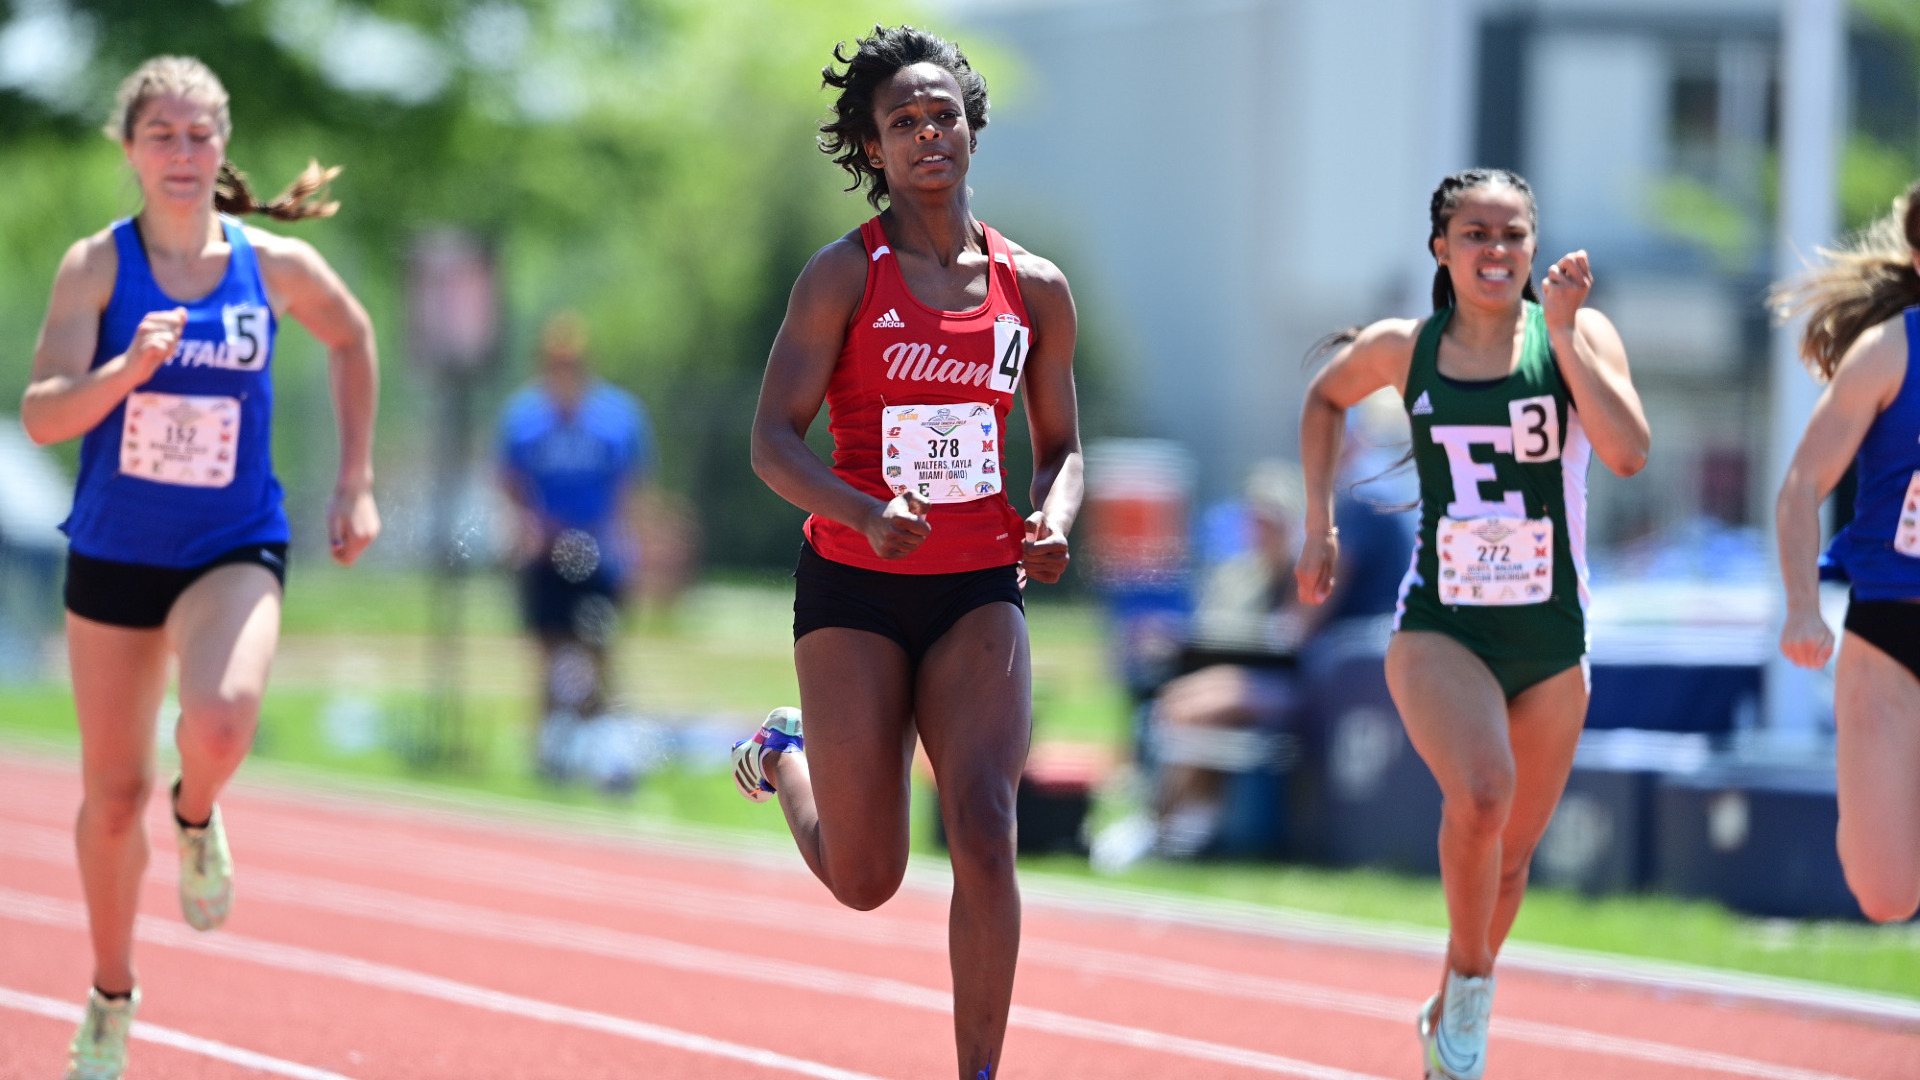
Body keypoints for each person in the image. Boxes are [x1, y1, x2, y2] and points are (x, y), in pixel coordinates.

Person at [19, 56, 379, 1080]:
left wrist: (354, 480)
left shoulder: (272, 267)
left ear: (223, 148)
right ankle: (110, 991)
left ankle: (199, 811)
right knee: (110, 794)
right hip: (115, 552)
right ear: (128, 148)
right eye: (161, 135)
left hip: (232, 542)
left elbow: (353, 337)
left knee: (221, 720)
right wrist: (126, 371)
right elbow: (42, 416)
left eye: (198, 135)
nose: (181, 153)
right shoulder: (97, 266)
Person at [738, 26, 1081, 1080]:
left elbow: (1063, 446)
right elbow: (769, 444)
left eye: (943, 115)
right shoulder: (843, 275)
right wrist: (861, 507)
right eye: (903, 123)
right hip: (856, 587)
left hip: (981, 585)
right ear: (874, 150)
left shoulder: (1036, 288)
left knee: (984, 826)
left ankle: (977, 1072)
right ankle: (784, 752)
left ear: (971, 128)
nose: (927, 134)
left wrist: (1056, 514)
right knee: (867, 877)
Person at [1296, 169, 1648, 1080]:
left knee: (1513, 856)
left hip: (1551, 638)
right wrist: (1318, 524)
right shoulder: (1405, 349)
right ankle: (1475, 992)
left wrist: (1566, 335)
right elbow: (1324, 397)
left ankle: (1455, 984)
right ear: (1442, 250)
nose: (1497, 251)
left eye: (1514, 235)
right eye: (1476, 234)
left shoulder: (1570, 334)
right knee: (1483, 794)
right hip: (1441, 626)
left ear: (1533, 248)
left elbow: (1628, 452)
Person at [1773, 177, 1920, 924]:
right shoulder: (1889, 352)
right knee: (1887, 893)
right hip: (1893, 634)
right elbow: (1801, 487)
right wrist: (1803, 606)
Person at [496, 311, 653, 782]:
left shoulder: (615, 417)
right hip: (547, 554)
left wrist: (627, 543)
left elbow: (630, 484)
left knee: (597, 651)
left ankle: (606, 751)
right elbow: (508, 479)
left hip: (598, 551)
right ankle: (551, 755)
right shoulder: (525, 418)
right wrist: (529, 526)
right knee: (550, 653)